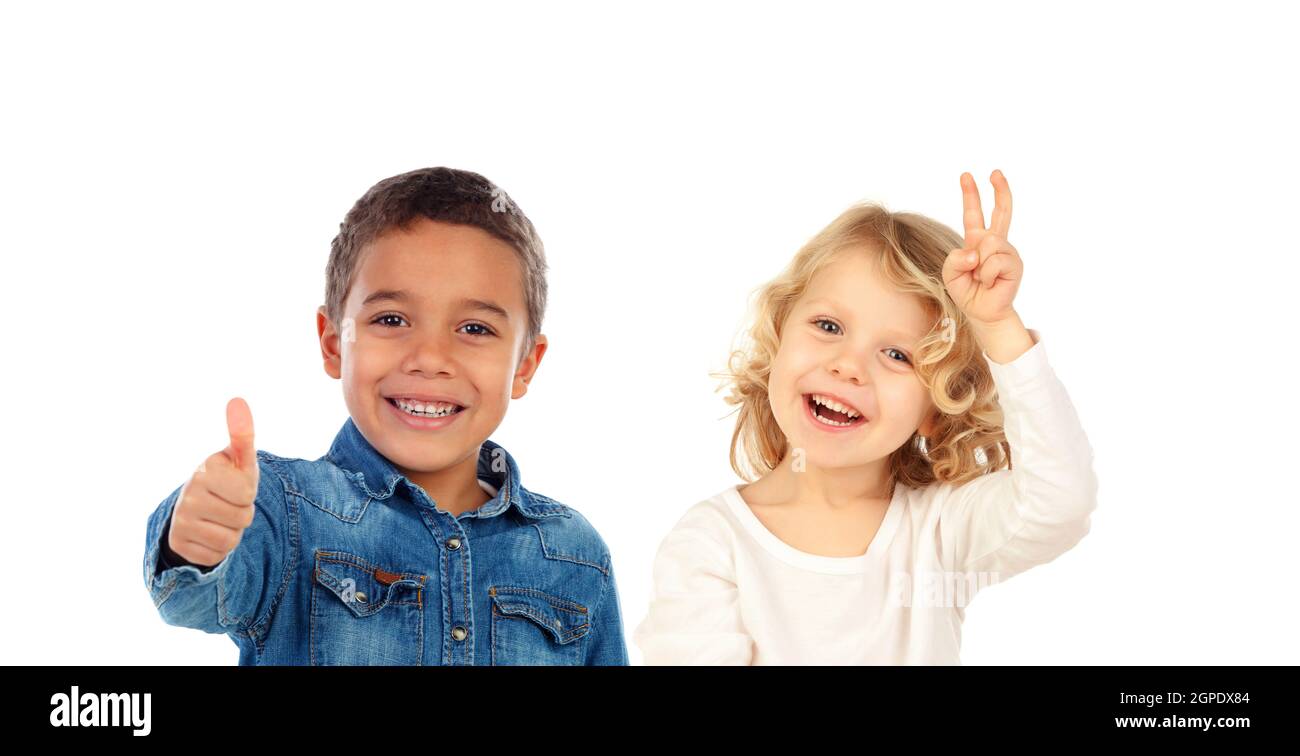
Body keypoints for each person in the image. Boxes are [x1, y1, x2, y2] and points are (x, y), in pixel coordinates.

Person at [143, 167, 628, 665]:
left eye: (475, 328)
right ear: (334, 343)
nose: (430, 356)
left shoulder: (576, 556)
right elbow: (191, 597)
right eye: (391, 320)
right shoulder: (283, 510)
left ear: (525, 365)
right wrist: (195, 540)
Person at [634, 170, 1098, 664]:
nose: (849, 366)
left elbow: (1061, 500)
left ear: (936, 411)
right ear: (777, 337)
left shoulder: (940, 533)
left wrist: (998, 327)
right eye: (828, 325)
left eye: (898, 355)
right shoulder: (711, 543)